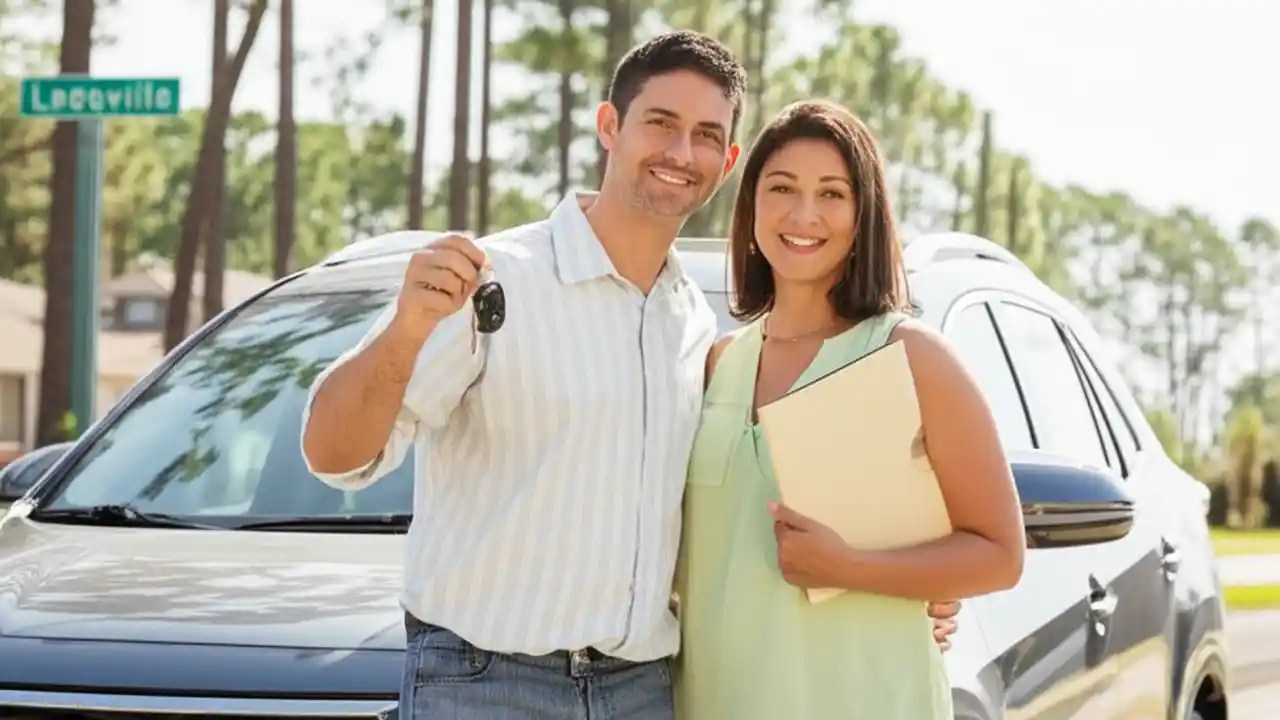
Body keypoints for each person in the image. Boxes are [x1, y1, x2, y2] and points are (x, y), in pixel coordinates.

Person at [301, 30, 959, 719]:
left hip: (644, 691)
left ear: (727, 160)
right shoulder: (494, 284)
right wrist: (406, 329)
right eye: (661, 124)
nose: (681, 153)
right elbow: (334, 455)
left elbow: (736, 525)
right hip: (486, 685)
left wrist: (913, 583)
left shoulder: (702, 336)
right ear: (609, 125)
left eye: (707, 135)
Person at [673, 100, 1026, 719]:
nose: (804, 214)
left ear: (863, 214)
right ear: (751, 203)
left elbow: (1000, 553)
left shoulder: (911, 357)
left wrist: (853, 567)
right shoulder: (718, 363)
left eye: (832, 194)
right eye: (782, 188)